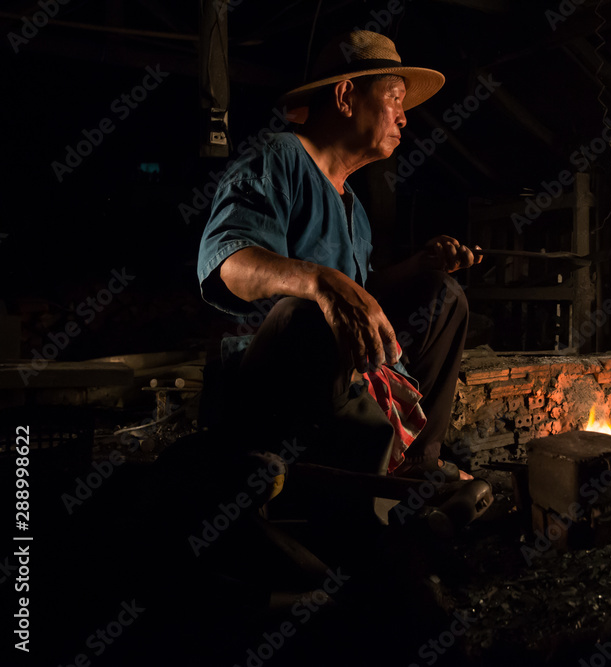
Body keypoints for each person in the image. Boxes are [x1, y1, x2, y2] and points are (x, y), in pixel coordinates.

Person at [196, 30, 478, 482]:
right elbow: (228, 261)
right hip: (275, 387)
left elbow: (363, 296)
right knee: (307, 312)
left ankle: (415, 465)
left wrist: (416, 269)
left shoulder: (355, 208)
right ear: (347, 96)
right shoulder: (277, 157)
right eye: (395, 99)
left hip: (343, 384)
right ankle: (336, 474)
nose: (405, 118)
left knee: (444, 297)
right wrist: (319, 282)